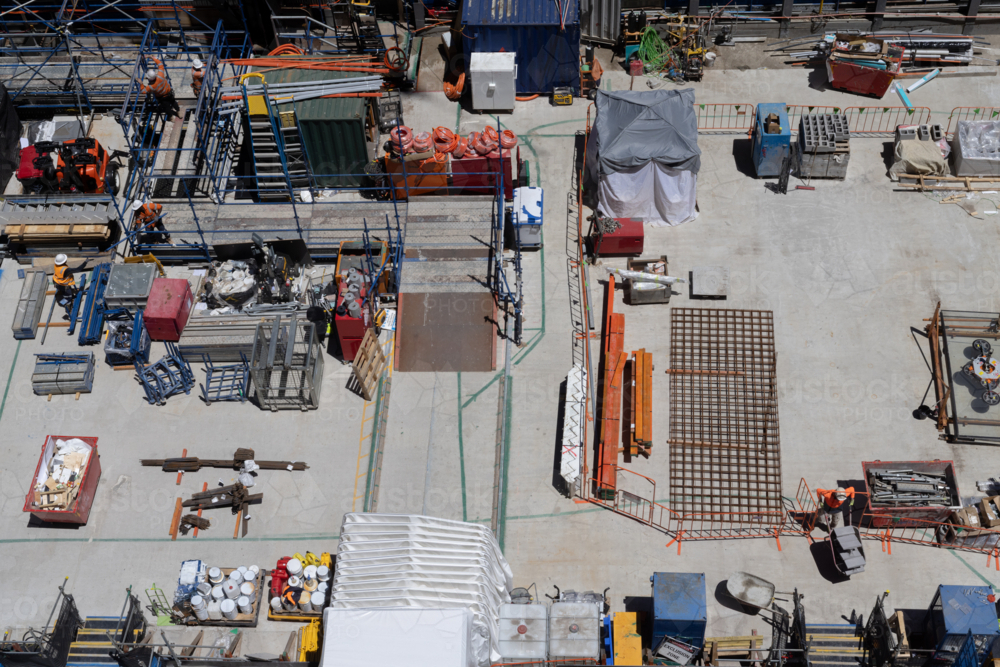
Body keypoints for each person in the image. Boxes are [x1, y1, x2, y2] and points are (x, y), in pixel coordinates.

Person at [53, 254, 89, 320]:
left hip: (57, 282)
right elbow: (78, 269)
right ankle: (69, 309)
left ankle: (69, 300)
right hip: (64, 286)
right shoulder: (65, 270)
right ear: (63, 261)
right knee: (68, 297)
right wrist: (85, 262)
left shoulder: (56, 265)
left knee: (67, 293)